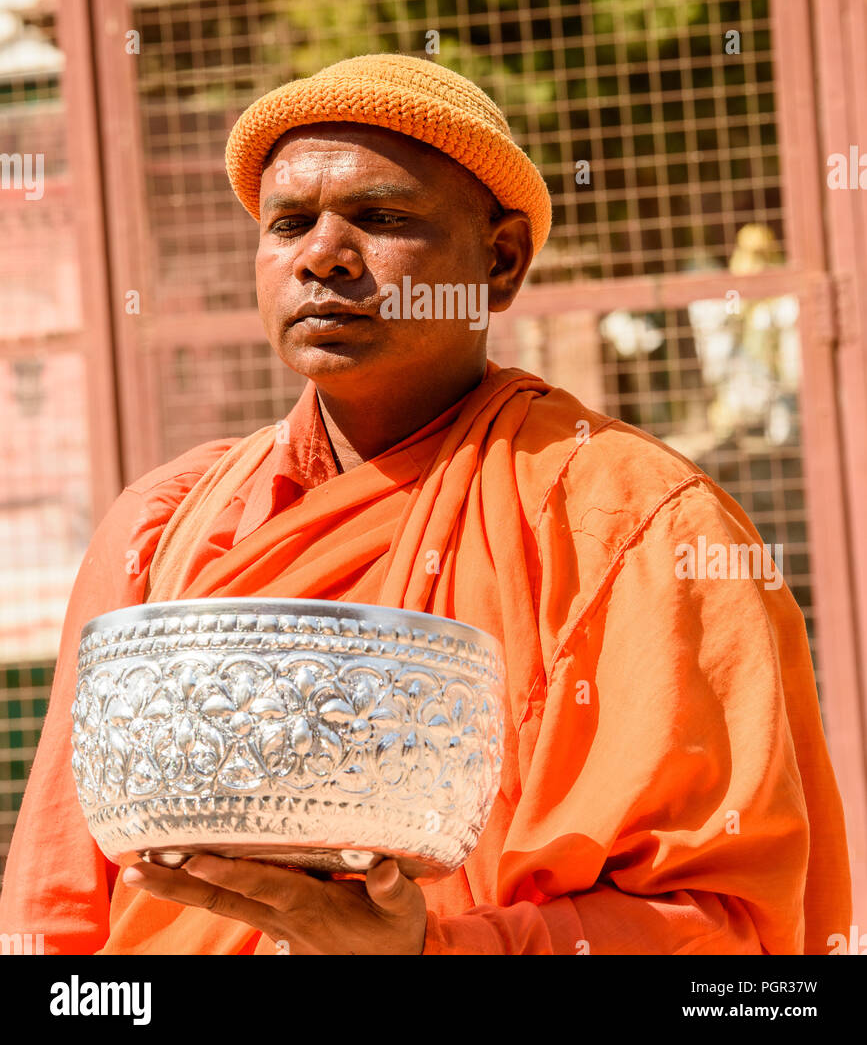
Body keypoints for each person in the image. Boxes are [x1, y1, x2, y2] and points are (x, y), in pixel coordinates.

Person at [0, 52, 852, 955]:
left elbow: (729, 930)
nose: (322, 256)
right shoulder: (159, 524)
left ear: (501, 259)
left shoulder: (634, 520)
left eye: (380, 218)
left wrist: (425, 954)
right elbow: (56, 901)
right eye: (288, 223)